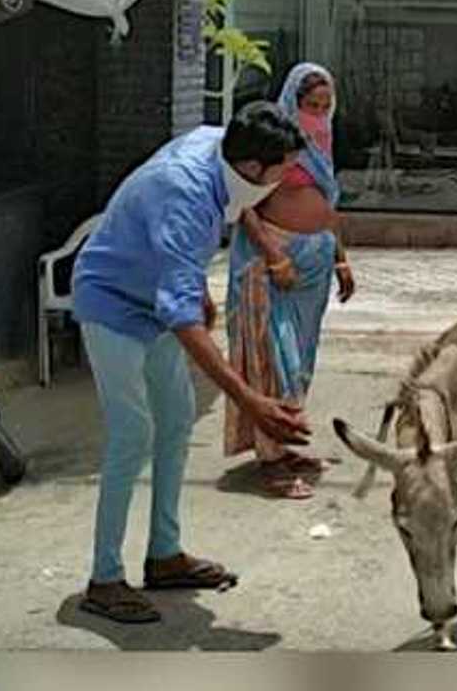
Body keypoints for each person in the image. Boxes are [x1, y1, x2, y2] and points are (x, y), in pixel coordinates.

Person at [70, 102, 312, 625]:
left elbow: (199, 234)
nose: (286, 181)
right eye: (282, 171)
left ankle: (164, 555)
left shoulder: (217, 145)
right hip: (110, 301)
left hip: (153, 298)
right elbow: (182, 320)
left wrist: (197, 284)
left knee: (177, 421)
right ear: (252, 169)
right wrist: (248, 399)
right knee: (133, 434)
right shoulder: (185, 191)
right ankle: (104, 579)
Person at [226, 63, 356, 499]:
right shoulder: (272, 144)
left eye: (324, 106)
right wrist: (273, 254)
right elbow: (244, 205)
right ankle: (270, 458)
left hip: (314, 261)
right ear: (292, 104)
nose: (317, 113)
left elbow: (328, 202)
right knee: (273, 357)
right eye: (309, 105)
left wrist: (340, 258)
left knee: (299, 359)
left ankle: (285, 445)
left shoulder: (321, 143)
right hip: (275, 262)